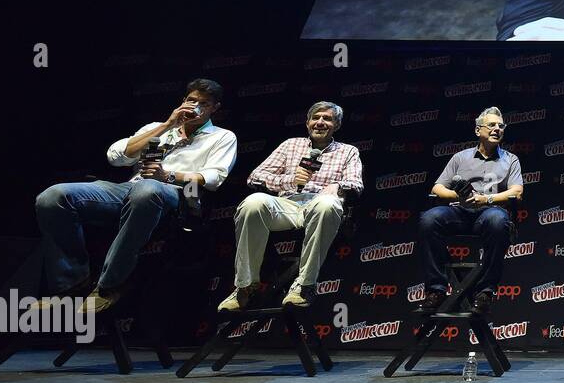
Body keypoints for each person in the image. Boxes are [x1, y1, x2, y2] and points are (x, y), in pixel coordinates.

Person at [34, 79, 238, 313]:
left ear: (215, 108)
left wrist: (168, 176)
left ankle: (110, 285)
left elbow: (213, 178)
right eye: (191, 100)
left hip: (178, 196)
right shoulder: (157, 128)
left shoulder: (221, 137)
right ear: (182, 101)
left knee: (147, 189)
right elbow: (117, 156)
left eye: (204, 103)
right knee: (53, 197)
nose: (195, 106)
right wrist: (167, 125)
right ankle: (70, 285)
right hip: (129, 189)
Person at [220, 101, 364, 311]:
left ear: (337, 125)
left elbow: (356, 184)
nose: (320, 122)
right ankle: (245, 286)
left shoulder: (347, 151)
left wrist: (337, 186)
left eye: (327, 119)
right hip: (287, 203)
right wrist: (289, 180)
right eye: (316, 118)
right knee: (253, 203)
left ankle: (304, 285)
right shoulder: (291, 145)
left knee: (327, 204)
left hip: (320, 205)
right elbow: (255, 177)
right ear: (307, 123)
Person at [415, 107, 524, 313]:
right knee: (429, 219)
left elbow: (516, 192)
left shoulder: (511, 159)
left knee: (498, 221)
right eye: (491, 125)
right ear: (477, 130)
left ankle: (485, 292)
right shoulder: (460, 157)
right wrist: (462, 198)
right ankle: (436, 289)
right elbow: (437, 188)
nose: (497, 129)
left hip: (489, 212)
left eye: (501, 126)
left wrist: (484, 199)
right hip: (460, 211)